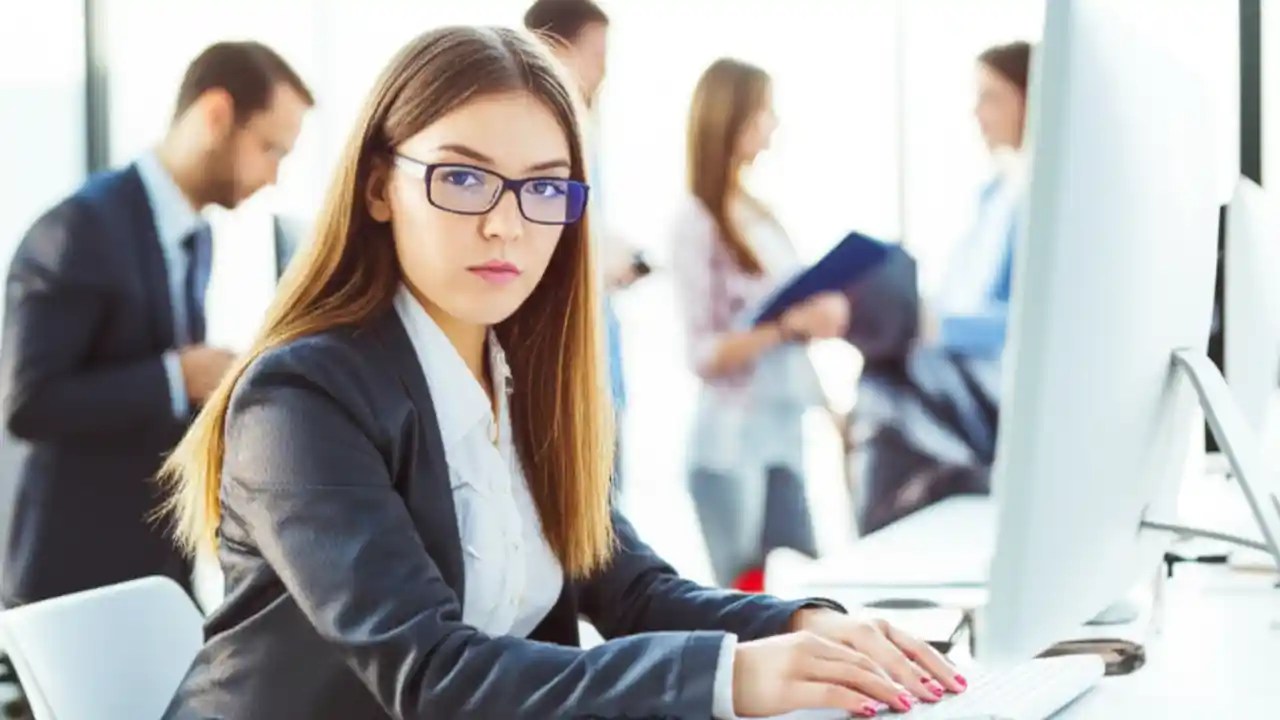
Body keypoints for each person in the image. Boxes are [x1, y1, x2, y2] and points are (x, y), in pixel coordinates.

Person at [159, 27, 963, 719]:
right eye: (463, 177)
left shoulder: (523, 380)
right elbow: (433, 675)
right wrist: (729, 676)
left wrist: (794, 630)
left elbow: (631, 591)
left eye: (543, 187)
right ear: (378, 186)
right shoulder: (301, 400)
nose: (507, 224)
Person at [0, 41, 313, 606]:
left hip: (153, 568)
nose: (273, 177)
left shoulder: (197, 235)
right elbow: (29, 402)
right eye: (270, 148)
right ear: (217, 115)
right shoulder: (78, 229)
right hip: (73, 580)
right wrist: (178, 376)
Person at [671, 58, 852, 594]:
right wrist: (788, 325)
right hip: (729, 446)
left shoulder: (760, 215)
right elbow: (702, 353)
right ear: (734, 118)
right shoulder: (697, 222)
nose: (772, 127)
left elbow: (791, 336)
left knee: (802, 587)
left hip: (781, 438)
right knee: (746, 600)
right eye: (764, 112)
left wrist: (830, 409)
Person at [849, 41, 1033, 535]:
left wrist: (939, 326)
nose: (977, 113)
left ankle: (883, 534)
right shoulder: (994, 194)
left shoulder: (1040, 200)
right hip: (956, 365)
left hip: (991, 383)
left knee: (886, 384)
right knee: (883, 366)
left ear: (1028, 99)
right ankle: (885, 534)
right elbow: (958, 294)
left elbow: (1029, 317)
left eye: (990, 97)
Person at [524, 0, 642, 497]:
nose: (604, 70)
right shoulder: (538, 136)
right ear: (553, 49)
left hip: (596, 359)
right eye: (596, 53)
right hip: (564, 369)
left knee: (605, 523)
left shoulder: (585, 134)